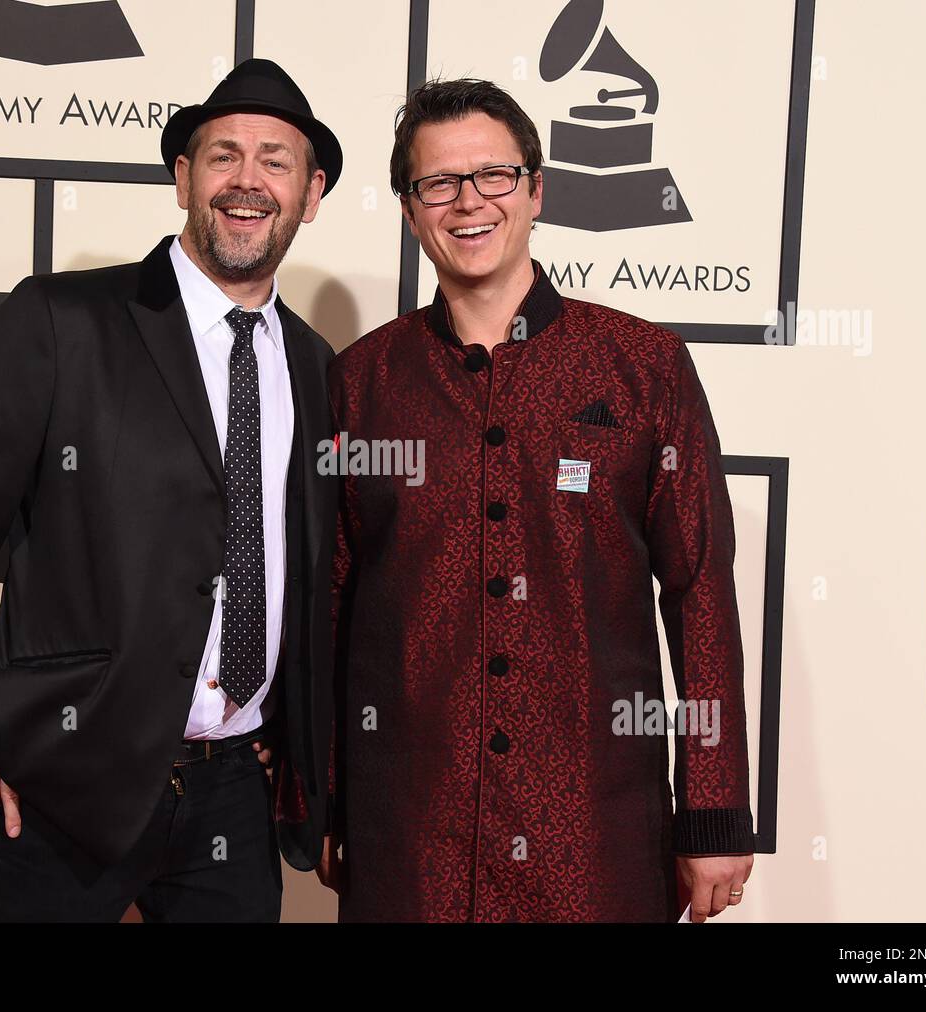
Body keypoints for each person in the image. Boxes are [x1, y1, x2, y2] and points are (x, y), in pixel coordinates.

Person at [0, 58, 341, 922]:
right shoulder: (61, 322)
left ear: (311, 193)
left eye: (276, 161)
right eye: (222, 155)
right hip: (63, 784)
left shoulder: (315, 367)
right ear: (182, 180)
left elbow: (305, 574)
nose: (248, 181)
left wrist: (291, 735)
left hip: (236, 788)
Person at [318, 78, 755, 922]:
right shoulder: (363, 382)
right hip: (411, 835)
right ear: (411, 211)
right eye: (437, 184)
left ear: (536, 189)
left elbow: (700, 591)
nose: (467, 202)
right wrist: (330, 797)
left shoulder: (642, 366)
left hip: (596, 835)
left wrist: (713, 811)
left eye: (494, 176)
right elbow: (335, 601)